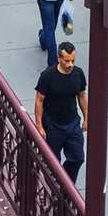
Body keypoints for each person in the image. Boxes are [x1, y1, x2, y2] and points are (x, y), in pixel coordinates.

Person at [35, 41, 88, 182]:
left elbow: (82, 95)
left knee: (78, 158)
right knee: (52, 162)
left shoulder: (78, 74)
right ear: (59, 58)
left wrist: (86, 118)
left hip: (72, 123)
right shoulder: (47, 76)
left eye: (72, 61)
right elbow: (39, 100)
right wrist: (39, 126)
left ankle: (67, 184)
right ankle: (54, 186)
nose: (70, 64)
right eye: (67, 61)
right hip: (53, 125)